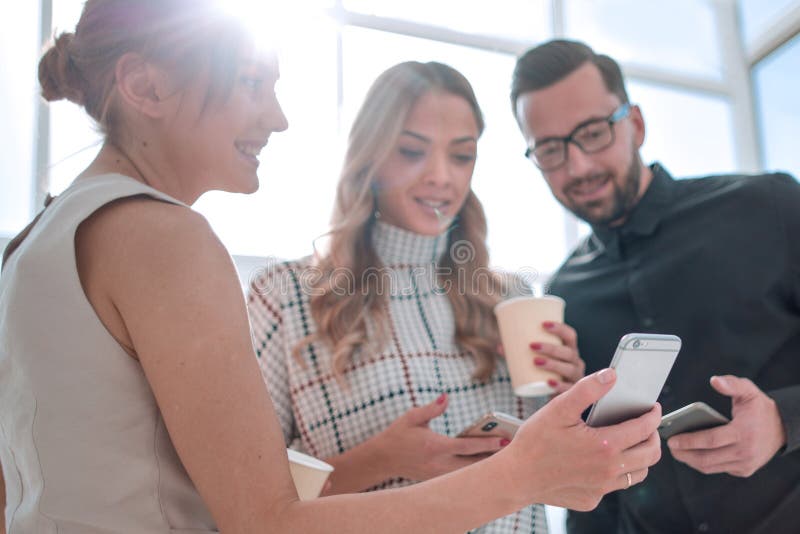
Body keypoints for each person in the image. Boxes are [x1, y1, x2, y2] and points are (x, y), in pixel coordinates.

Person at [0, 0, 663, 529]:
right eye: (253, 83)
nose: (279, 117)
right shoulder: (173, 242)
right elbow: (265, 518)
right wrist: (515, 474)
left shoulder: (30, 245)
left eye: (461, 154)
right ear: (144, 85)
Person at [247, 60, 586, 533]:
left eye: (462, 155)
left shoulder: (509, 298)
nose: (442, 177)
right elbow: (250, 504)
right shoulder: (285, 299)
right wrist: (381, 460)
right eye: (411, 151)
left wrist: (569, 399)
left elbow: (559, 480)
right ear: (371, 156)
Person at [510, 39, 800, 534]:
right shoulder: (565, 294)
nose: (577, 166)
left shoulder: (768, 207)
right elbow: (597, 491)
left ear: (636, 124)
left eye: (593, 133)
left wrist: (785, 419)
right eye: (551, 150)